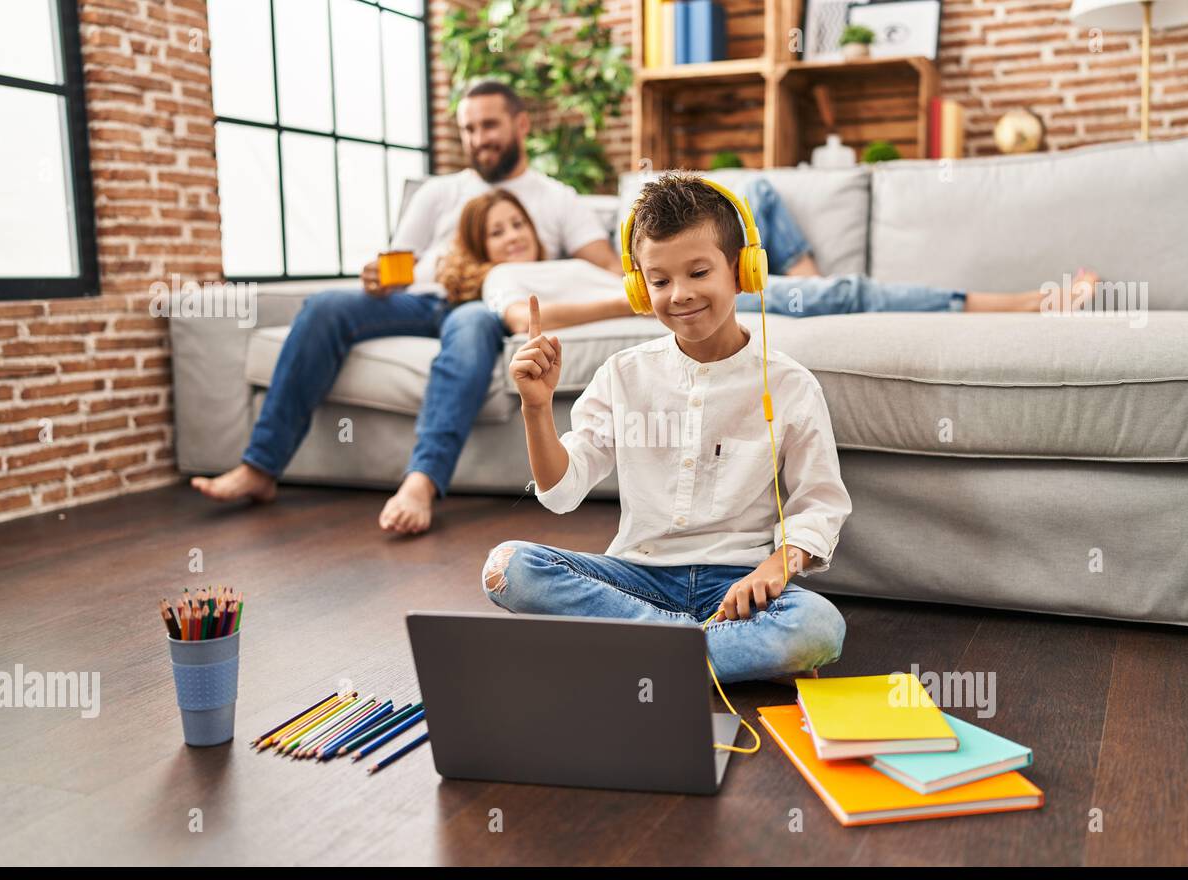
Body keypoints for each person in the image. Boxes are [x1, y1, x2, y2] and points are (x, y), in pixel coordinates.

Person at [191, 79, 620, 535]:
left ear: (520, 124)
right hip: (419, 300)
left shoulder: (557, 199)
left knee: (472, 328)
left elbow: (606, 267)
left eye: (489, 125)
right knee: (325, 307)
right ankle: (261, 468)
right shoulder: (437, 192)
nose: (479, 139)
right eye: (468, 129)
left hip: (484, 306)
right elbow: (402, 262)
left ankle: (420, 482)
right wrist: (379, 276)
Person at [481, 173, 854, 684]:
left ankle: (641, 649)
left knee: (818, 627)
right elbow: (561, 493)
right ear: (639, 287)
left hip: (736, 584)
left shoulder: (791, 384)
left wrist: (777, 567)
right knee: (507, 568)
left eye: (698, 272)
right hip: (636, 576)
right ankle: (701, 651)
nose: (679, 295)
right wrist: (536, 409)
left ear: (743, 270)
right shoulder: (622, 374)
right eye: (659, 281)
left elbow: (820, 502)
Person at [470, 174, 1100, 329]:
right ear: (483, 249)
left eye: (515, 223)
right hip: (652, 302)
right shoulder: (502, 278)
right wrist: (640, 294)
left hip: (655, 280)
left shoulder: (573, 261)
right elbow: (525, 321)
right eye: (495, 233)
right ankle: (1024, 304)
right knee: (848, 293)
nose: (511, 237)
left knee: (755, 192)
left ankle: (796, 273)